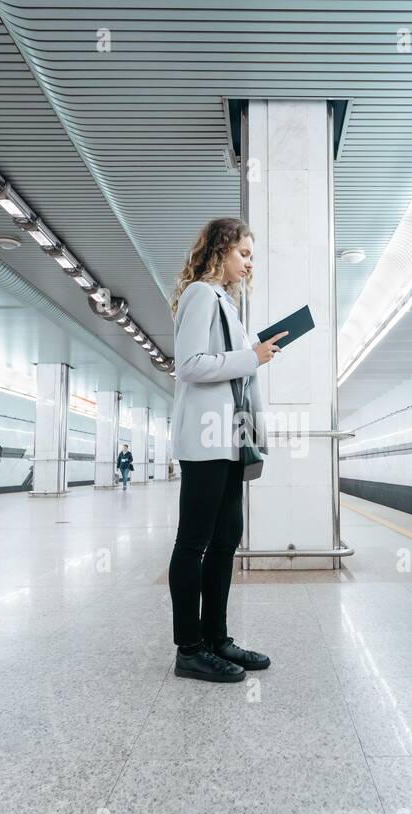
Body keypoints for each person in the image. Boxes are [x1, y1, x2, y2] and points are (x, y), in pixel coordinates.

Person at [167, 217, 288, 683]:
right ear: (220, 251)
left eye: (251, 255)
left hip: (230, 438)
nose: (248, 262)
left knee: (225, 541)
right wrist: (249, 357)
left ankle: (217, 639)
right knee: (194, 543)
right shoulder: (200, 294)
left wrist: (254, 351)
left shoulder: (229, 305)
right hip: (205, 439)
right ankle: (189, 648)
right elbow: (190, 366)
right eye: (243, 253)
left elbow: (233, 368)